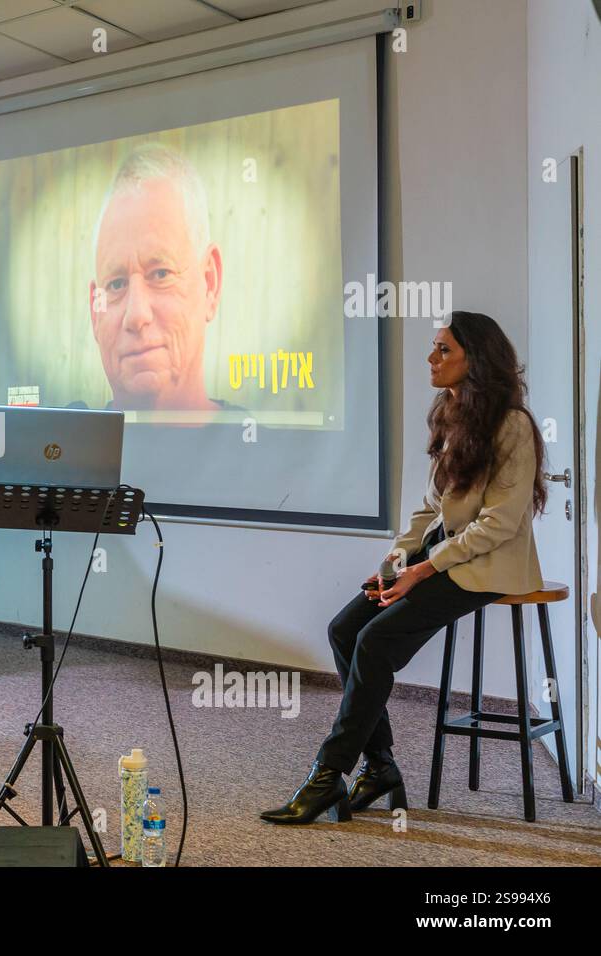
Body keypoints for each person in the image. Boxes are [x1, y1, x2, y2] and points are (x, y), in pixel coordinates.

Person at [261, 312, 547, 824]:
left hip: (487, 565)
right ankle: (382, 766)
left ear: (475, 360)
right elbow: (431, 506)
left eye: (443, 350)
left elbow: (499, 524)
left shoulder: (513, 425)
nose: (430, 359)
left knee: (375, 642)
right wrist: (397, 561)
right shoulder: (450, 412)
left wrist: (424, 570)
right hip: (442, 556)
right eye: (433, 348)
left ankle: (329, 774)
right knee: (346, 630)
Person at [88, 144, 226, 415]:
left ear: (210, 283)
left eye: (161, 274)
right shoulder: (57, 448)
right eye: (116, 284)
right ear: (95, 313)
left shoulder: (276, 454)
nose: (136, 315)